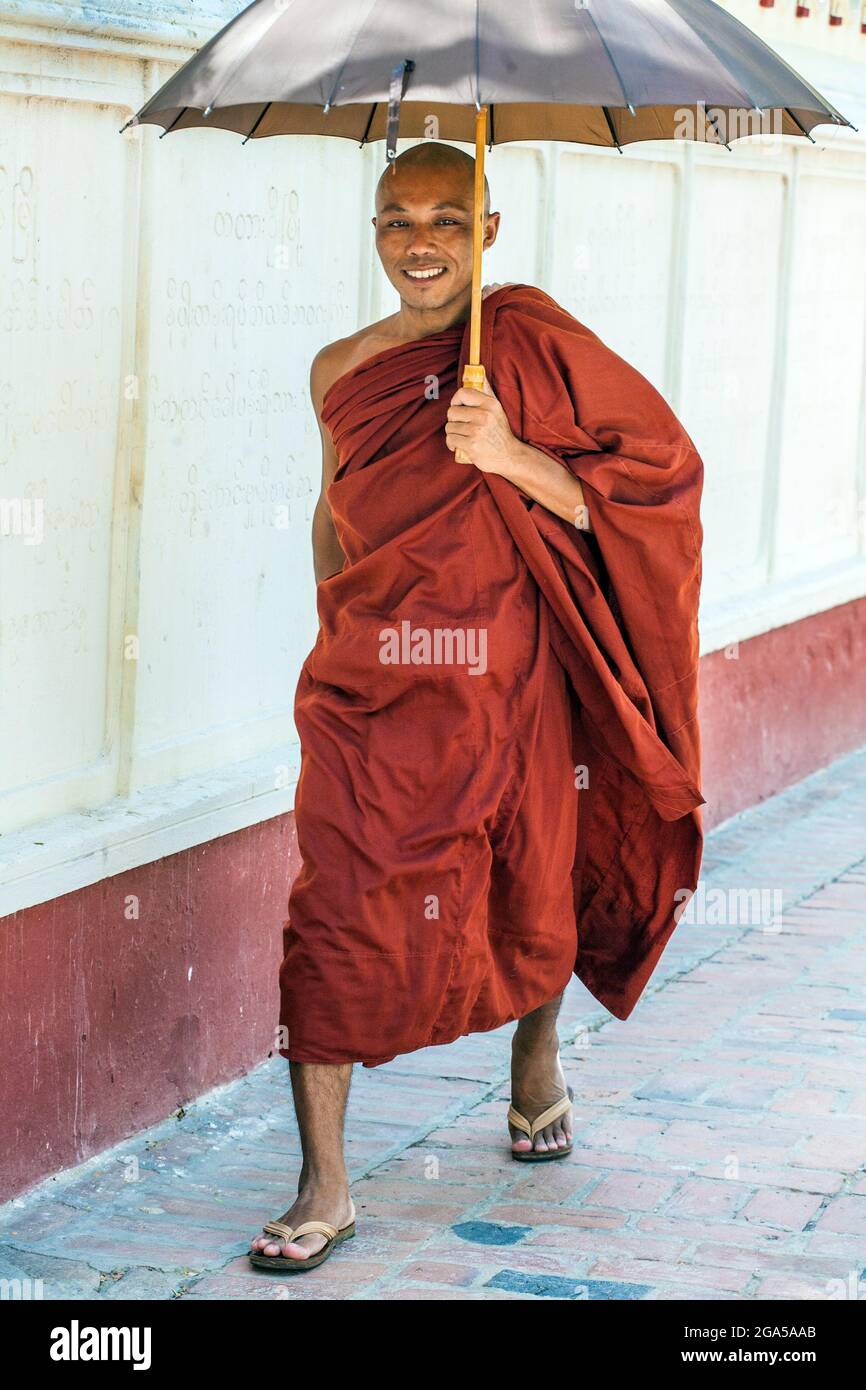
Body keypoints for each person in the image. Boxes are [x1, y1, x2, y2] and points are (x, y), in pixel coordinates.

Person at [250, 141, 704, 1272]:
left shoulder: (530, 350)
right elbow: (330, 511)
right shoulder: (338, 369)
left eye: (447, 220)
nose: (421, 243)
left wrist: (507, 451)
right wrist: (338, 625)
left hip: (511, 682)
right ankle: (326, 1183)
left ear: (487, 232)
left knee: (532, 873)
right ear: (373, 235)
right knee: (335, 909)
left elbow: (652, 495)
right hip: (372, 688)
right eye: (398, 219)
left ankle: (534, 1063)